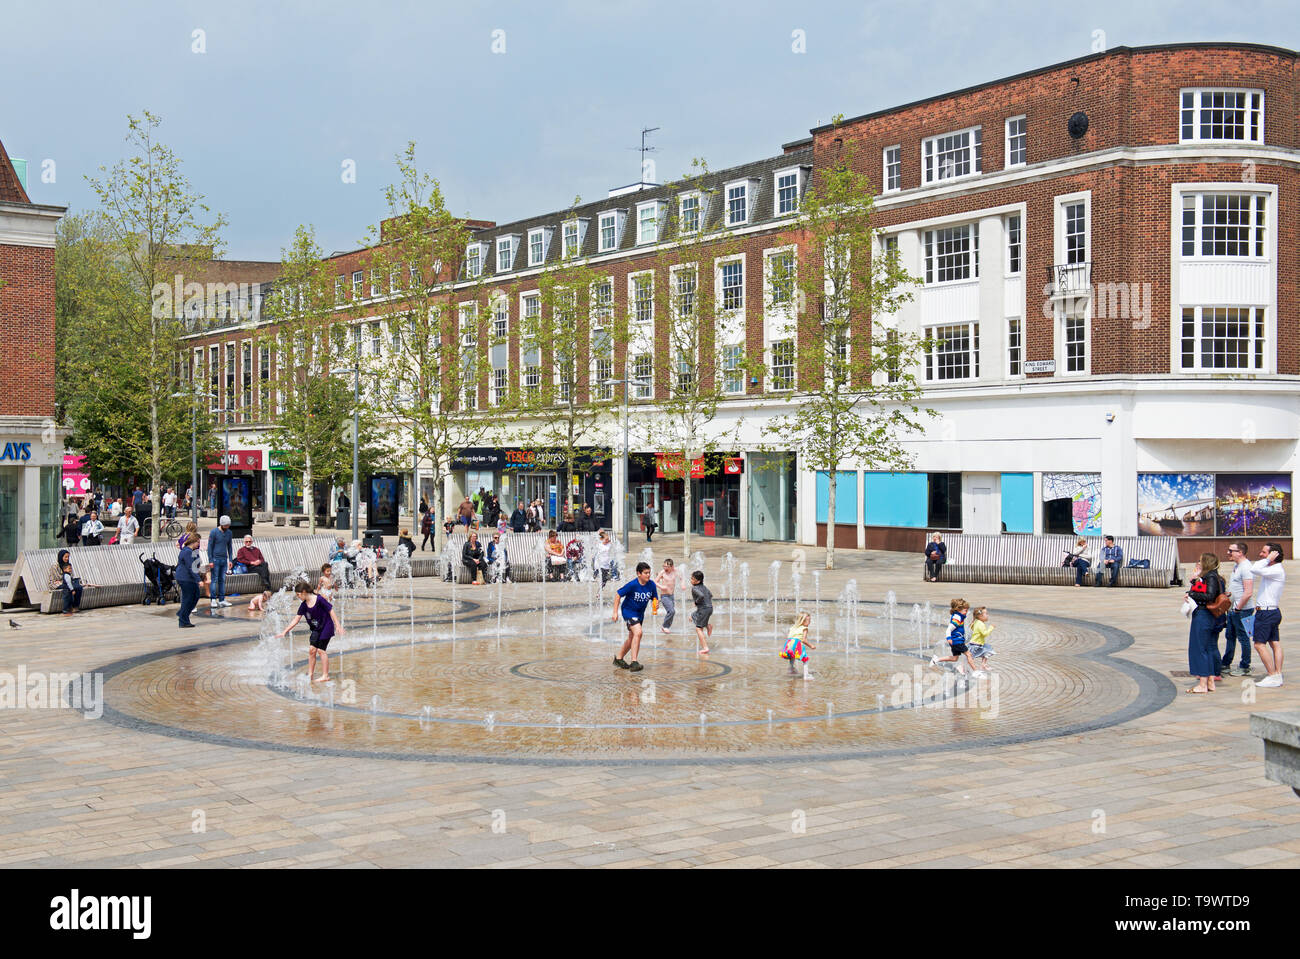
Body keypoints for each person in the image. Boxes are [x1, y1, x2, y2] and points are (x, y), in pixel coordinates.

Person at [277, 581, 343, 683]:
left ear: (303, 592)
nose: (297, 597)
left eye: (298, 594)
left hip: (326, 626)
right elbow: (296, 619)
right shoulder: (304, 605)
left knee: (321, 650)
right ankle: (310, 674)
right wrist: (284, 631)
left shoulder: (319, 599)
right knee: (312, 650)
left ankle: (325, 675)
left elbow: (331, 610)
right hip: (316, 629)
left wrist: (338, 626)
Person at [1185, 552, 1227, 694]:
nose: (1199, 563)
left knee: (1199, 648)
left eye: (1201, 560)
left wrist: (1191, 594)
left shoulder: (1210, 577)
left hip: (1204, 615)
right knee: (1207, 647)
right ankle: (1209, 680)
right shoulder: (1209, 576)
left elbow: (1209, 595)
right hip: (1205, 615)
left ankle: (1202, 683)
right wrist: (1195, 581)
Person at [1251, 543, 1286, 688]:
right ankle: (1277, 674)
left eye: (1264, 552)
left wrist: (1268, 559)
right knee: (1274, 643)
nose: (1261, 554)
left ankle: (1273, 675)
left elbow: (1254, 569)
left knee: (1259, 645)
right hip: (1271, 611)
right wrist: (1267, 560)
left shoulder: (1275, 569)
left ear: (1274, 555)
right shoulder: (1273, 569)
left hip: (1266, 612)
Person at [612, 562, 657, 672]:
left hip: (639, 614)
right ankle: (634, 662)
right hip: (628, 611)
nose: (648, 575)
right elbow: (618, 594)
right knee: (638, 633)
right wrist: (615, 612)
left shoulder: (651, 585)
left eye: (649, 573)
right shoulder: (632, 585)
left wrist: (656, 603)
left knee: (632, 637)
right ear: (638, 573)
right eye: (646, 573)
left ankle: (618, 658)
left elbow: (654, 597)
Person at [1223, 542, 1255, 677]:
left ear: (1240, 552)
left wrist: (1237, 608)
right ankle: (1225, 663)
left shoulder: (1246, 567)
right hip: (1233, 608)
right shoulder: (1237, 566)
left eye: (1231, 551)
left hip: (1242, 609)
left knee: (1243, 637)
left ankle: (1245, 666)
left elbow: (1248, 592)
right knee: (1230, 636)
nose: (1228, 553)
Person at [931, 598, 975, 673]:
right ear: (958, 609)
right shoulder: (957, 618)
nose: (966, 612)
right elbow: (948, 629)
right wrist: (949, 638)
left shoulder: (958, 616)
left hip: (956, 641)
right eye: (965, 610)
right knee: (969, 654)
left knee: (955, 658)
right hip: (957, 641)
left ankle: (936, 659)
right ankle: (975, 671)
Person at [54, 549, 97, 615]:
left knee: (79, 587)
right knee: (69, 589)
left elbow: (71, 576)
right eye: (65, 557)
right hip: (58, 584)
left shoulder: (68, 565)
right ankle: (67, 608)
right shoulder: (55, 567)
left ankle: (75, 606)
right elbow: (53, 580)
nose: (67, 558)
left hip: (68, 583)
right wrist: (62, 581)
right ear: (61, 557)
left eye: (68, 557)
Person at [235, 534, 273, 607]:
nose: (248, 543)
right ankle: (267, 586)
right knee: (263, 569)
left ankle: (265, 581)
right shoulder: (241, 550)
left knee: (265, 564)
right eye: (246, 542)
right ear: (244, 542)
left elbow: (262, 559)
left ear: (252, 542)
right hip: (250, 567)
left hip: (258, 565)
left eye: (249, 541)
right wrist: (251, 562)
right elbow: (240, 559)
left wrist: (259, 561)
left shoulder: (256, 549)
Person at [175, 533, 202, 628]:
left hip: (190, 578)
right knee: (188, 598)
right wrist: (199, 580)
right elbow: (191, 567)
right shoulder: (187, 552)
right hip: (185, 578)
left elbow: (197, 563)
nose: (198, 544)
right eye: (197, 542)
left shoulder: (192, 551)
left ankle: (182, 614)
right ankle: (183, 619)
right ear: (193, 542)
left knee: (195, 595)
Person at [207, 515, 234, 609]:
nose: (227, 527)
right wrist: (210, 560)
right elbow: (209, 547)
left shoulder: (229, 533)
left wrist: (230, 559)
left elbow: (229, 546)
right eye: (226, 525)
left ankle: (222, 599)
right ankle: (213, 599)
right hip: (215, 559)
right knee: (214, 579)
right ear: (222, 524)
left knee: (222, 580)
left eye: (228, 525)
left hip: (224, 559)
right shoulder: (214, 532)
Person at [780, 611, 815, 675]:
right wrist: (811, 646)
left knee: (792, 656)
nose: (810, 622)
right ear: (803, 621)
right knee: (805, 659)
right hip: (797, 643)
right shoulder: (805, 628)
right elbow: (804, 640)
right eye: (809, 620)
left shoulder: (793, 627)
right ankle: (806, 675)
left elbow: (789, 636)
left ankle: (791, 669)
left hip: (789, 643)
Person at [690, 570, 714, 654]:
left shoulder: (694, 588)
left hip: (704, 609)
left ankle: (705, 648)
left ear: (698, 581)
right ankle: (708, 626)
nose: (691, 580)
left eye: (693, 579)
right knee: (693, 615)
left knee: (698, 628)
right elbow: (710, 595)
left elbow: (701, 596)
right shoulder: (704, 587)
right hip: (709, 608)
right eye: (691, 578)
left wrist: (696, 602)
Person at [968, 606, 995, 674]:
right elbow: (985, 634)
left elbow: (972, 627)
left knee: (988, 649)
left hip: (978, 644)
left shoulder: (976, 621)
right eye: (986, 614)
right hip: (975, 645)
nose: (987, 615)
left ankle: (983, 665)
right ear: (980, 616)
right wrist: (991, 628)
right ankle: (962, 668)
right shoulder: (980, 624)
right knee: (970, 658)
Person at [656, 558, 679, 634]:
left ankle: (666, 627)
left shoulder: (674, 571)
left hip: (671, 596)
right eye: (664, 566)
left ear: (671, 567)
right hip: (664, 596)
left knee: (671, 612)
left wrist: (682, 583)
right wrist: (661, 587)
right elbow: (655, 581)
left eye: (666, 567)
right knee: (672, 611)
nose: (664, 568)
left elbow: (681, 576)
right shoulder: (662, 572)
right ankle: (665, 626)